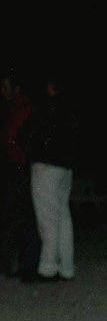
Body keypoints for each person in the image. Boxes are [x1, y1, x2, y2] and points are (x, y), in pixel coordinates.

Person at [20, 78, 79, 281]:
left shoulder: (45, 109)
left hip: (46, 166)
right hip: (65, 167)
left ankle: (47, 268)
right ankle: (67, 267)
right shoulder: (70, 108)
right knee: (63, 216)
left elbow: (24, 133)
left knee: (47, 218)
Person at [2, 74, 40, 280]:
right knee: (14, 217)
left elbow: (13, 138)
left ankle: (29, 265)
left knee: (25, 216)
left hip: (21, 166)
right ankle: (16, 264)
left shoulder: (23, 107)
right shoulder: (12, 107)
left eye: (6, 86)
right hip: (14, 165)